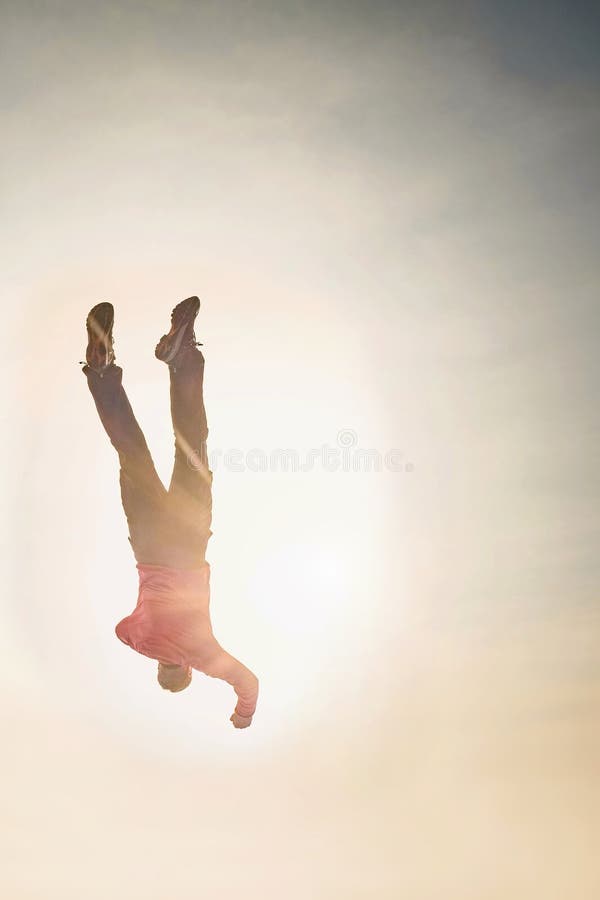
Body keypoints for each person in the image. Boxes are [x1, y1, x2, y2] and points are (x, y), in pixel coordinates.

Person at [81, 297, 258, 729]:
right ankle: (102, 376)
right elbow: (121, 631)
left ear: (187, 670)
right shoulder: (137, 641)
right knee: (131, 453)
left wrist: (243, 714)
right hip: (147, 544)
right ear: (161, 669)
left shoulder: (200, 652)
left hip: (188, 539)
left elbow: (248, 682)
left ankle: (182, 361)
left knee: (191, 444)